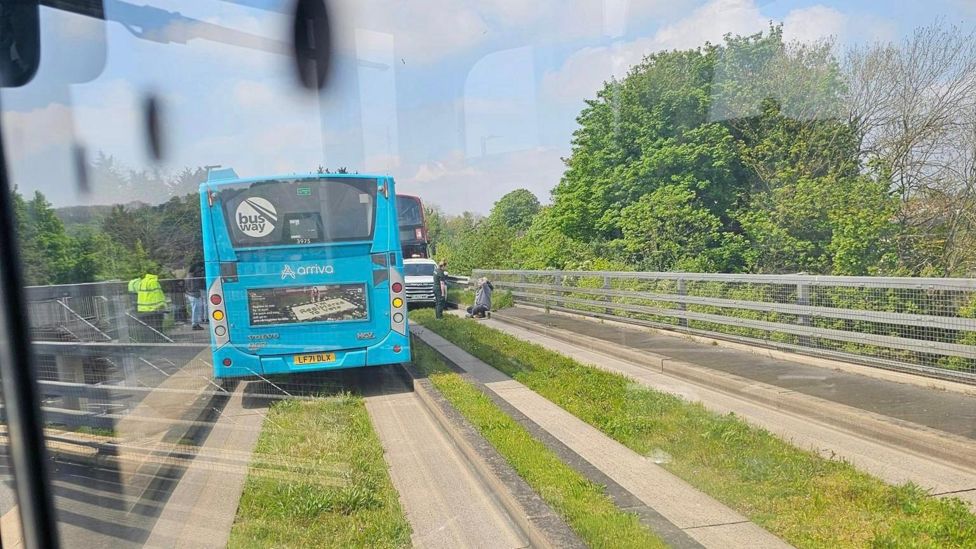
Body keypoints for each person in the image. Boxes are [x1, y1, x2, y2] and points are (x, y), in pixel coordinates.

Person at [127, 272, 167, 340]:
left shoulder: (142, 282)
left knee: (148, 326)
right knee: (157, 325)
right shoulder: (153, 282)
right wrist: (162, 305)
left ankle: (150, 339)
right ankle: (159, 338)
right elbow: (158, 295)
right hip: (153, 308)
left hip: (143, 308)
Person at [186, 260, 206, 330]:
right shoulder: (192, 277)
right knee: (195, 309)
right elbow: (194, 286)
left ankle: (196, 323)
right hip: (193, 294)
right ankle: (194, 324)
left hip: (193, 294)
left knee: (196, 309)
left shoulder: (190, 276)